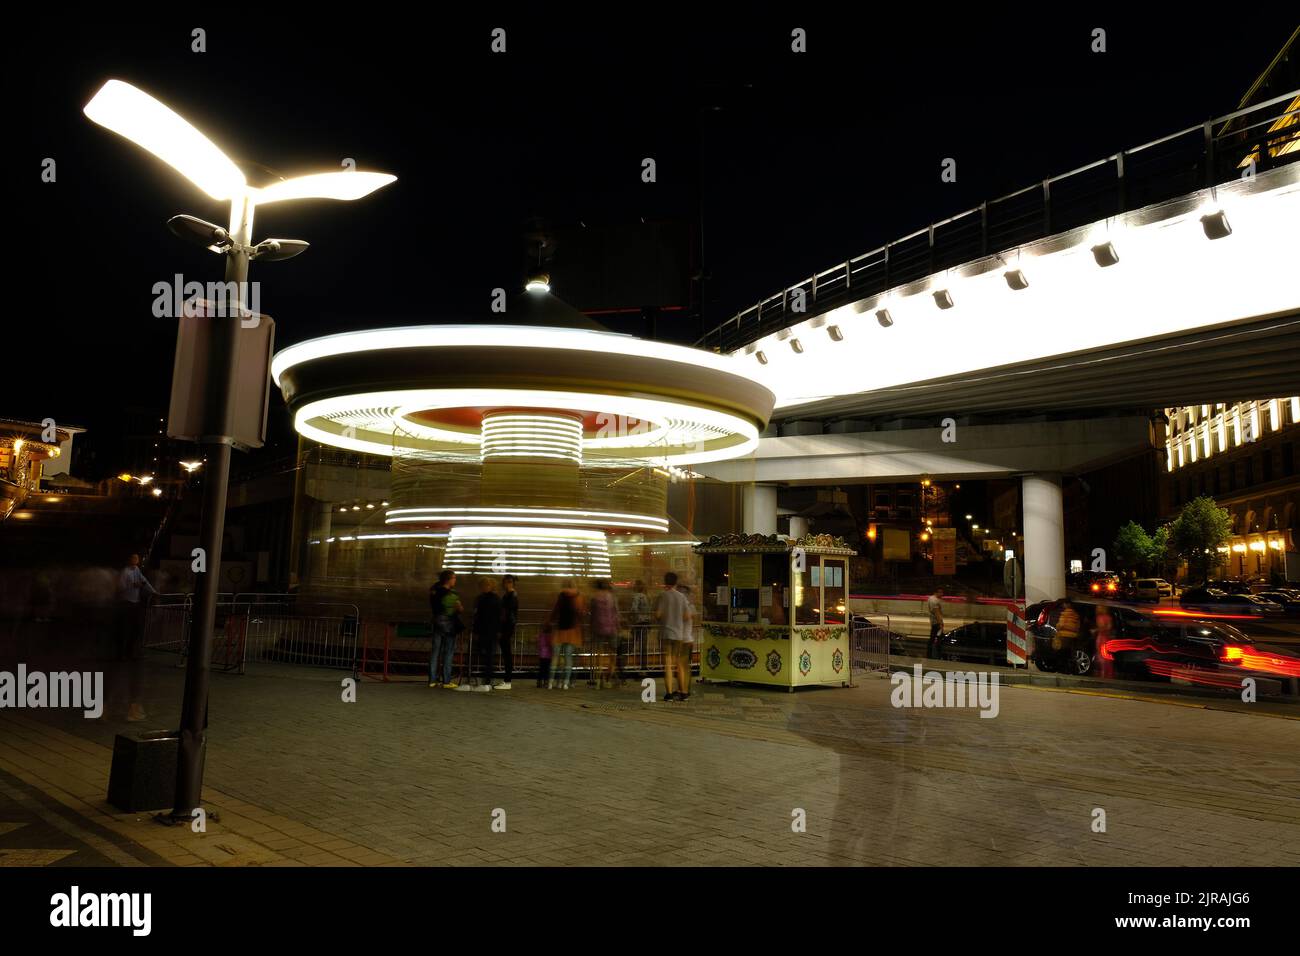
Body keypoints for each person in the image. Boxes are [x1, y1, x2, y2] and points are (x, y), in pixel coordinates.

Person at [117, 553, 158, 721]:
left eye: (137, 558)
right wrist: (136, 584)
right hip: (127, 602)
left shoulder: (137, 571)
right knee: (129, 628)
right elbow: (123, 586)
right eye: (133, 558)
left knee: (134, 628)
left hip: (134, 603)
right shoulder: (126, 572)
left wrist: (153, 592)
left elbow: (145, 583)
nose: (135, 561)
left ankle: (130, 647)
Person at [655, 571, 691, 701]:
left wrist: (665, 618)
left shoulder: (663, 596)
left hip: (666, 633)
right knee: (679, 663)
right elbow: (687, 616)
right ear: (676, 582)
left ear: (665, 582)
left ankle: (669, 693)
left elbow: (658, 615)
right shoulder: (682, 597)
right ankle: (683, 692)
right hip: (679, 633)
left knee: (668, 663)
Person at [429, 569, 464, 688]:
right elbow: (459, 609)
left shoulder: (434, 591)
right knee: (448, 652)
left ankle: (432, 680)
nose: (455, 580)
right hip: (449, 625)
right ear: (448, 580)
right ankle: (446, 681)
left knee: (435, 652)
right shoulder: (452, 594)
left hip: (437, 623)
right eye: (454, 578)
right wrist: (459, 607)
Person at [547, 579, 584, 690]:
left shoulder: (560, 595)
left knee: (555, 657)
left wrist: (550, 621)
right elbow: (581, 613)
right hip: (572, 631)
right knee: (568, 658)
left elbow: (555, 611)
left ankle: (551, 682)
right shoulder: (578, 597)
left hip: (559, 630)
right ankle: (566, 684)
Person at [472, 578, 504, 691]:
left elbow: (478, 616)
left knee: (485, 655)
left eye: (486, 585)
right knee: (488, 656)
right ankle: (487, 679)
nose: (484, 587)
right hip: (489, 631)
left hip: (486, 631)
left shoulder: (482, 599)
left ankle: (485, 679)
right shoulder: (495, 599)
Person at [589, 579, 621, 688]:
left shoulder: (594, 597)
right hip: (611, 628)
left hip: (598, 628)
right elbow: (616, 612)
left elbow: (592, 614)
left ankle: (598, 679)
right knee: (613, 654)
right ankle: (608, 679)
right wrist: (618, 626)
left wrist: (591, 627)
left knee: (599, 654)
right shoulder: (612, 597)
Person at [497, 574, 518, 689]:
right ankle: (507, 680)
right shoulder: (510, 595)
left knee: (507, 654)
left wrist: (501, 628)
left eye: (505, 582)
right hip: (508, 626)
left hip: (506, 627)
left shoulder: (510, 596)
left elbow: (506, 613)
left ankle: (507, 680)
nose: (504, 584)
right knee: (506, 653)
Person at [629, 580, 651, 670]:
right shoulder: (647, 597)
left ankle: (626, 666)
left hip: (638, 624)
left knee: (630, 644)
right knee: (643, 647)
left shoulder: (636, 596)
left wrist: (631, 618)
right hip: (646, 623)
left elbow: (634, 609)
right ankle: (643, 667)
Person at [926, 586, 945, 659]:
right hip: (936, 623)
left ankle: (930, 654)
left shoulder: (931, 598)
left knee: (933, 638)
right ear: (937, 592)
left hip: (934, 622)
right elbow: (937, 613)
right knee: (937, 639)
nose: (942, 594)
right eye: (941, 592)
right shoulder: (934, 601)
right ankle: (935, 655)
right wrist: (941, 624)